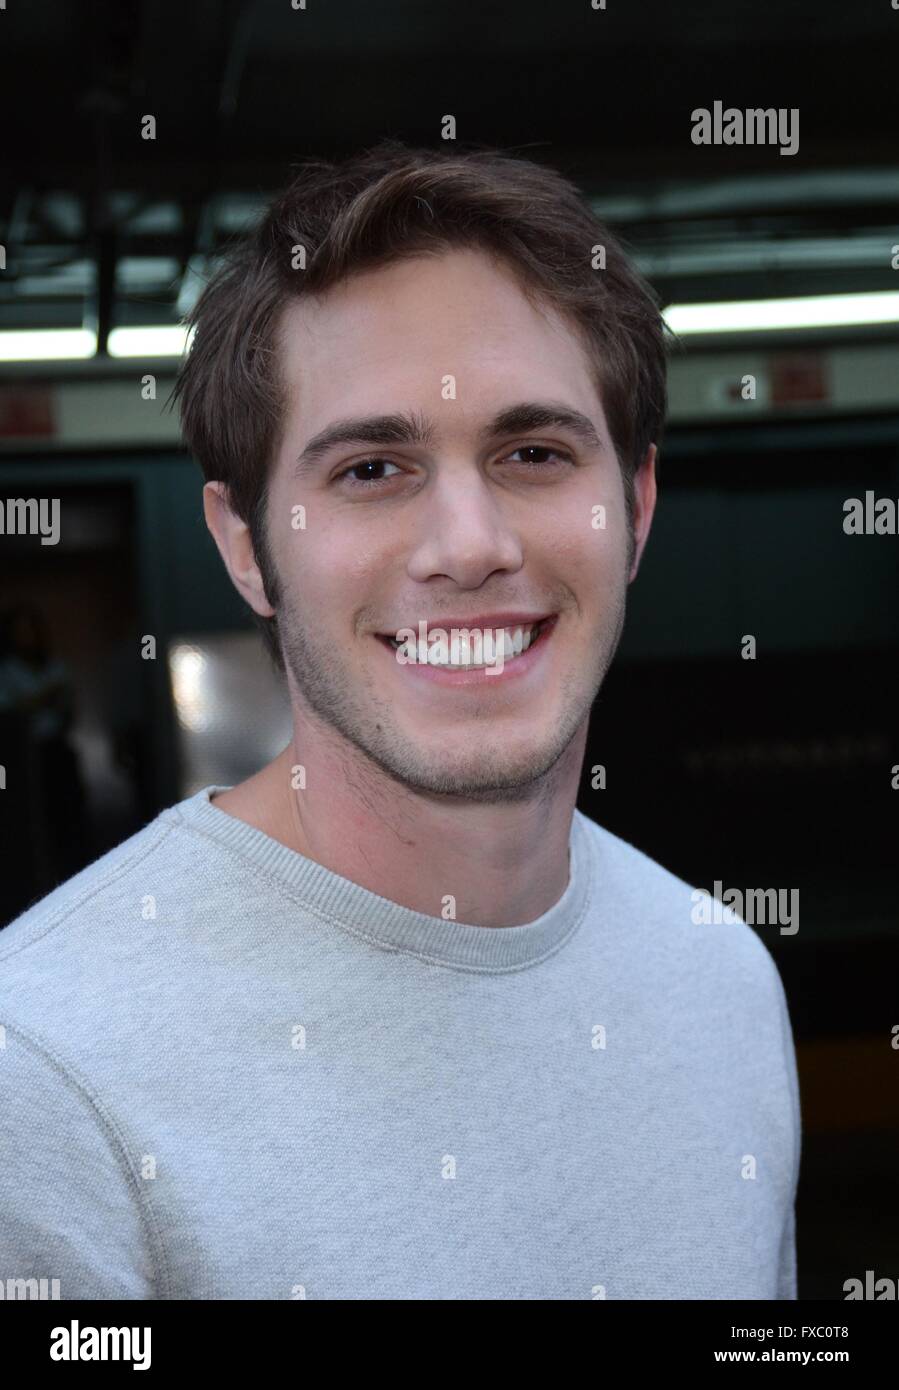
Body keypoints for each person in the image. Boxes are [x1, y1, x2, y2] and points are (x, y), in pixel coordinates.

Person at [0, 140, 800, 1300]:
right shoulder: (44, 1069)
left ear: (632, 505)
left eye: (532, 452)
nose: (469, 546)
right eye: (372, 469)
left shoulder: (720, 978)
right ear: (244, 547)